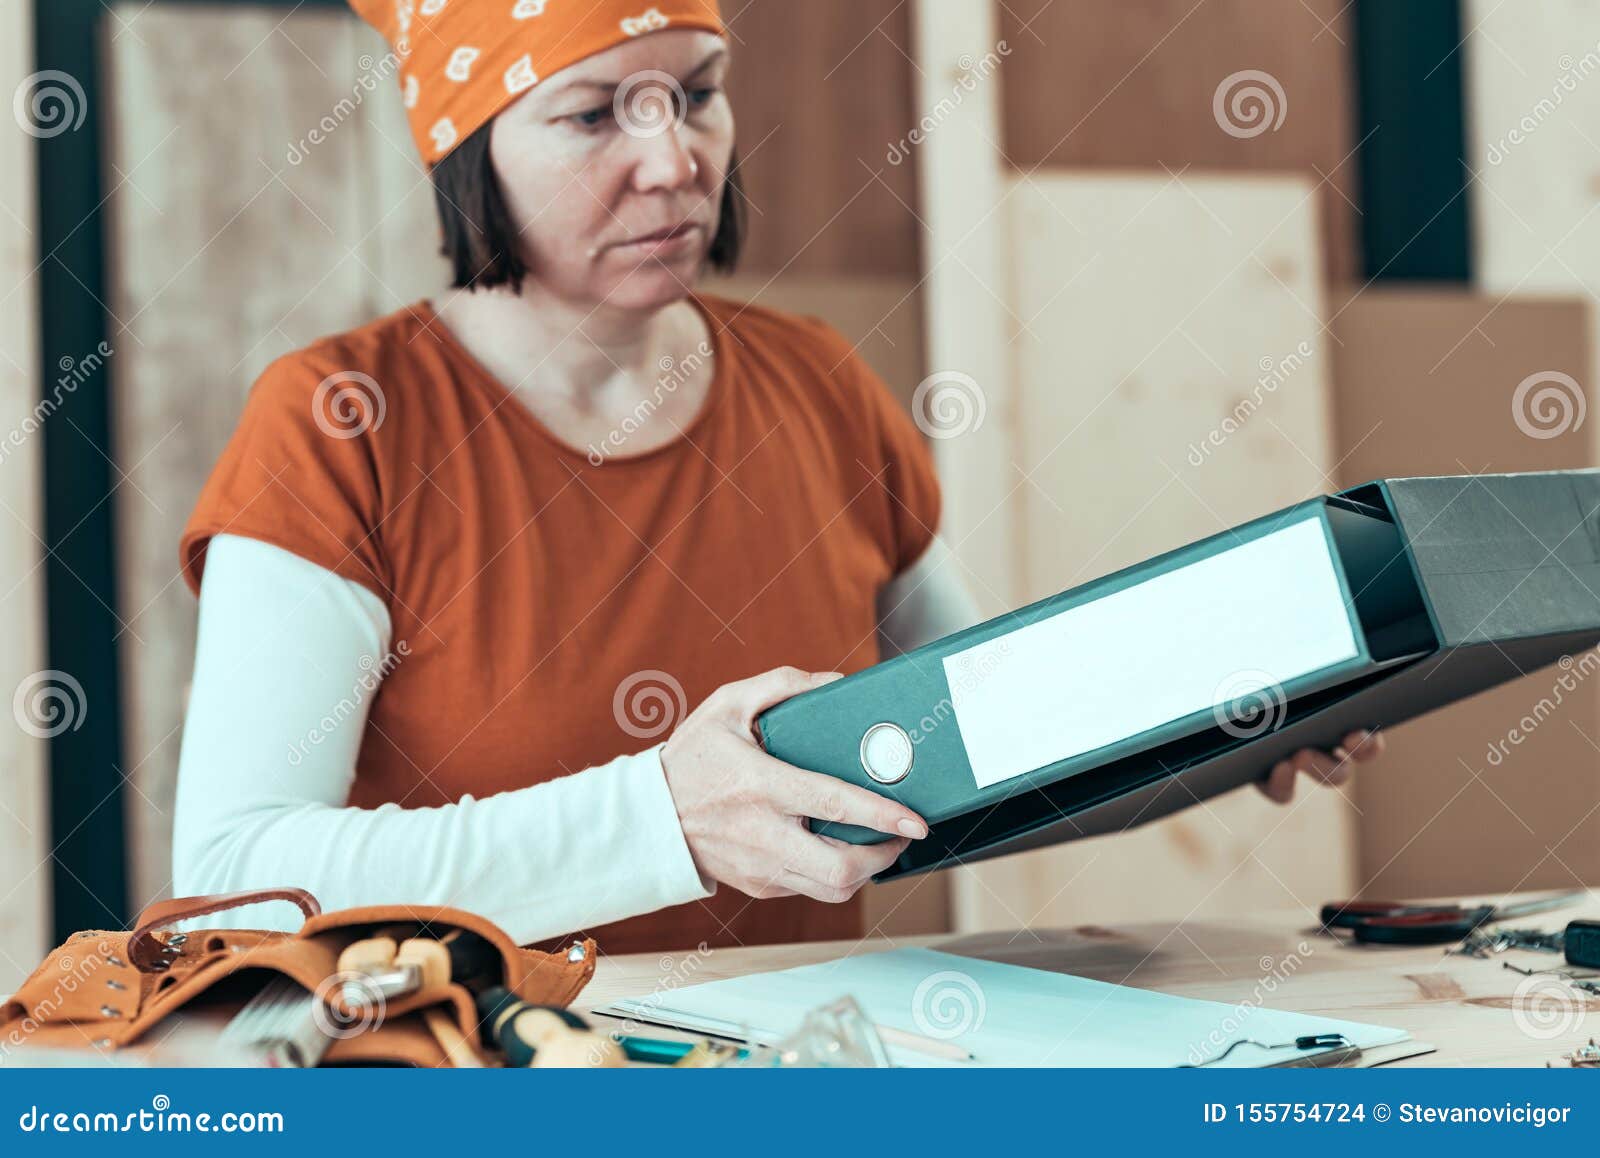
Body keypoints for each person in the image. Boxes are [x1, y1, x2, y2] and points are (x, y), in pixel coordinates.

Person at [170, 0, 1383, 951]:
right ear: (469, 153)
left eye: (696, 95)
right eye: (594, 115)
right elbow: (234, 883)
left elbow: (986, 734)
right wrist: (661, 817)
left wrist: (1200, 718)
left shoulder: (815, 385)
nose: (672, 160)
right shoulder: (341, 426)